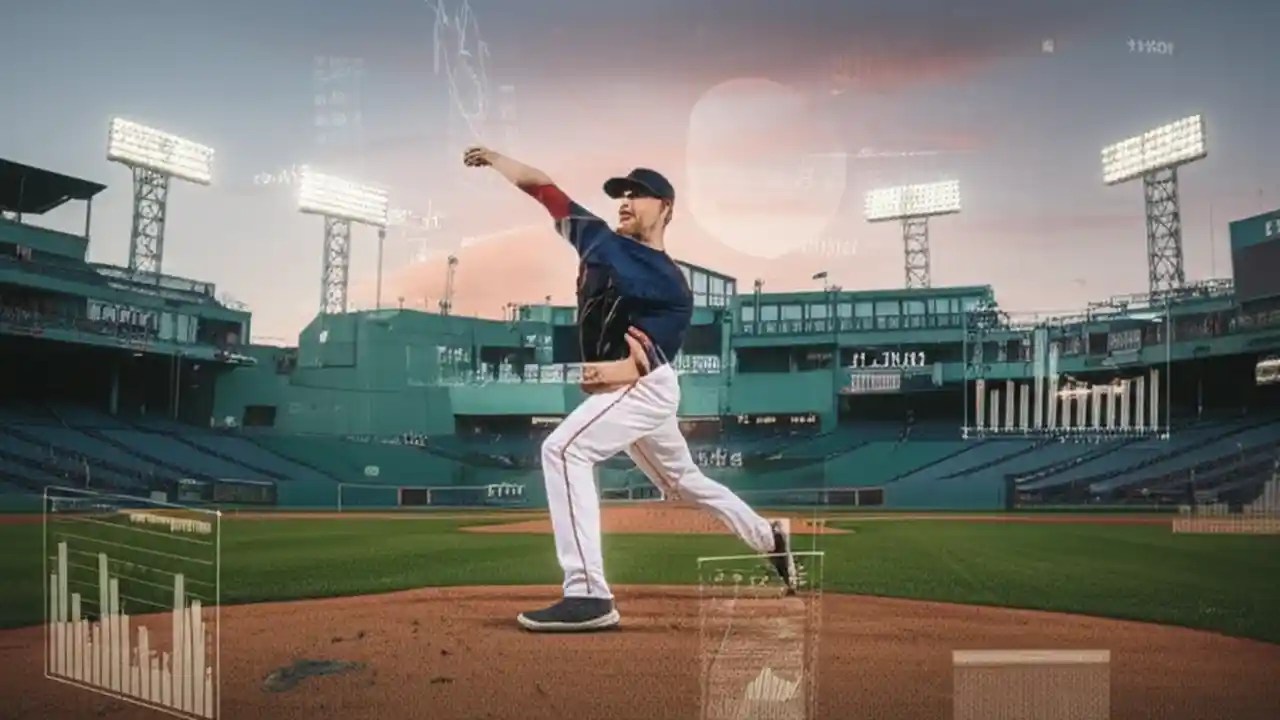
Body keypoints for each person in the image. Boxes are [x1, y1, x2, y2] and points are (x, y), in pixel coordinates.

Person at [463, 146, 798, 633]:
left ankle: (588, 594)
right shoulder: (596, 237)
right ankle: (769, 538)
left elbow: (646, 359)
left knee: (562, 451)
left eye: (637, 194)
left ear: (665, 208)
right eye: (621, 193)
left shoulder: (673, 286)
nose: (624, 200)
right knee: (683, 482)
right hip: (625, 390)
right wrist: (496, 159)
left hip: (646, 389)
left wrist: (613, 371)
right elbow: (544, 188)